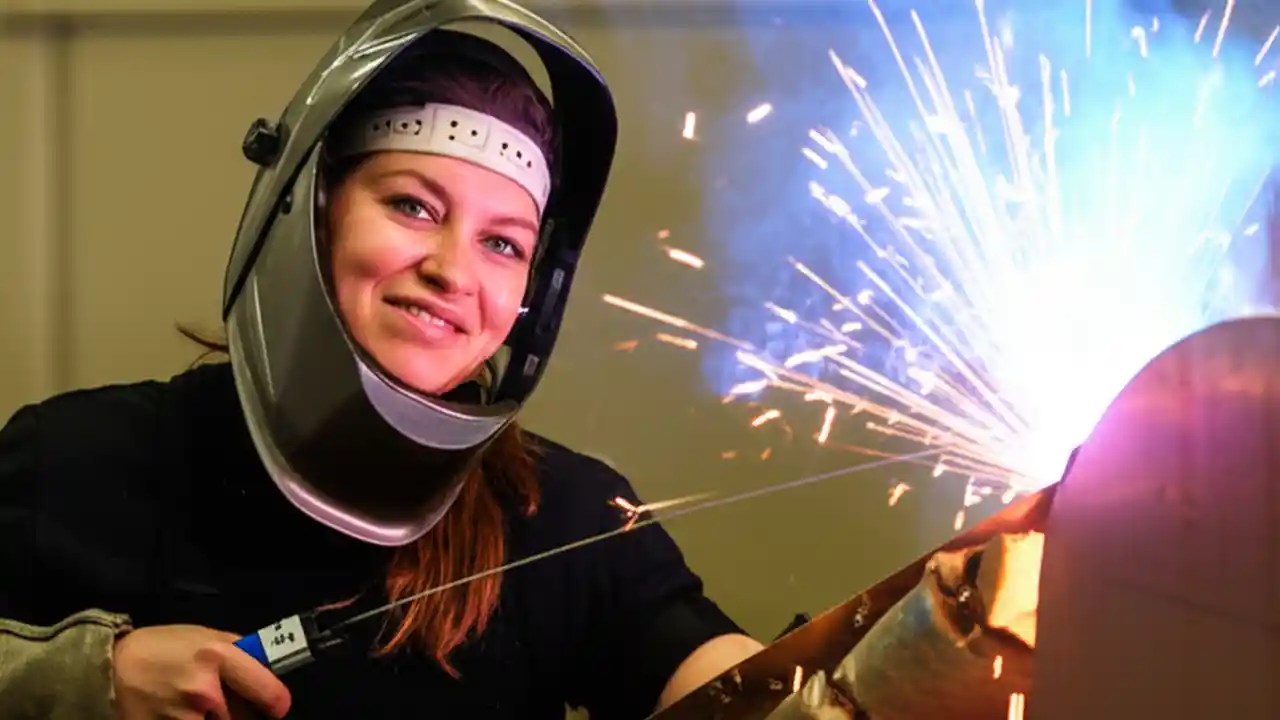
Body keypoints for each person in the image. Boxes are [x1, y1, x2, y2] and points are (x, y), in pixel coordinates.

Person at [0, 1, 764, 718]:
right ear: (310, 209)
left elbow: (735, 686)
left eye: (502, 244)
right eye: (413, 206)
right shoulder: (74, 457)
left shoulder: (566, 519)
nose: (452, 271)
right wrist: (85, 678)